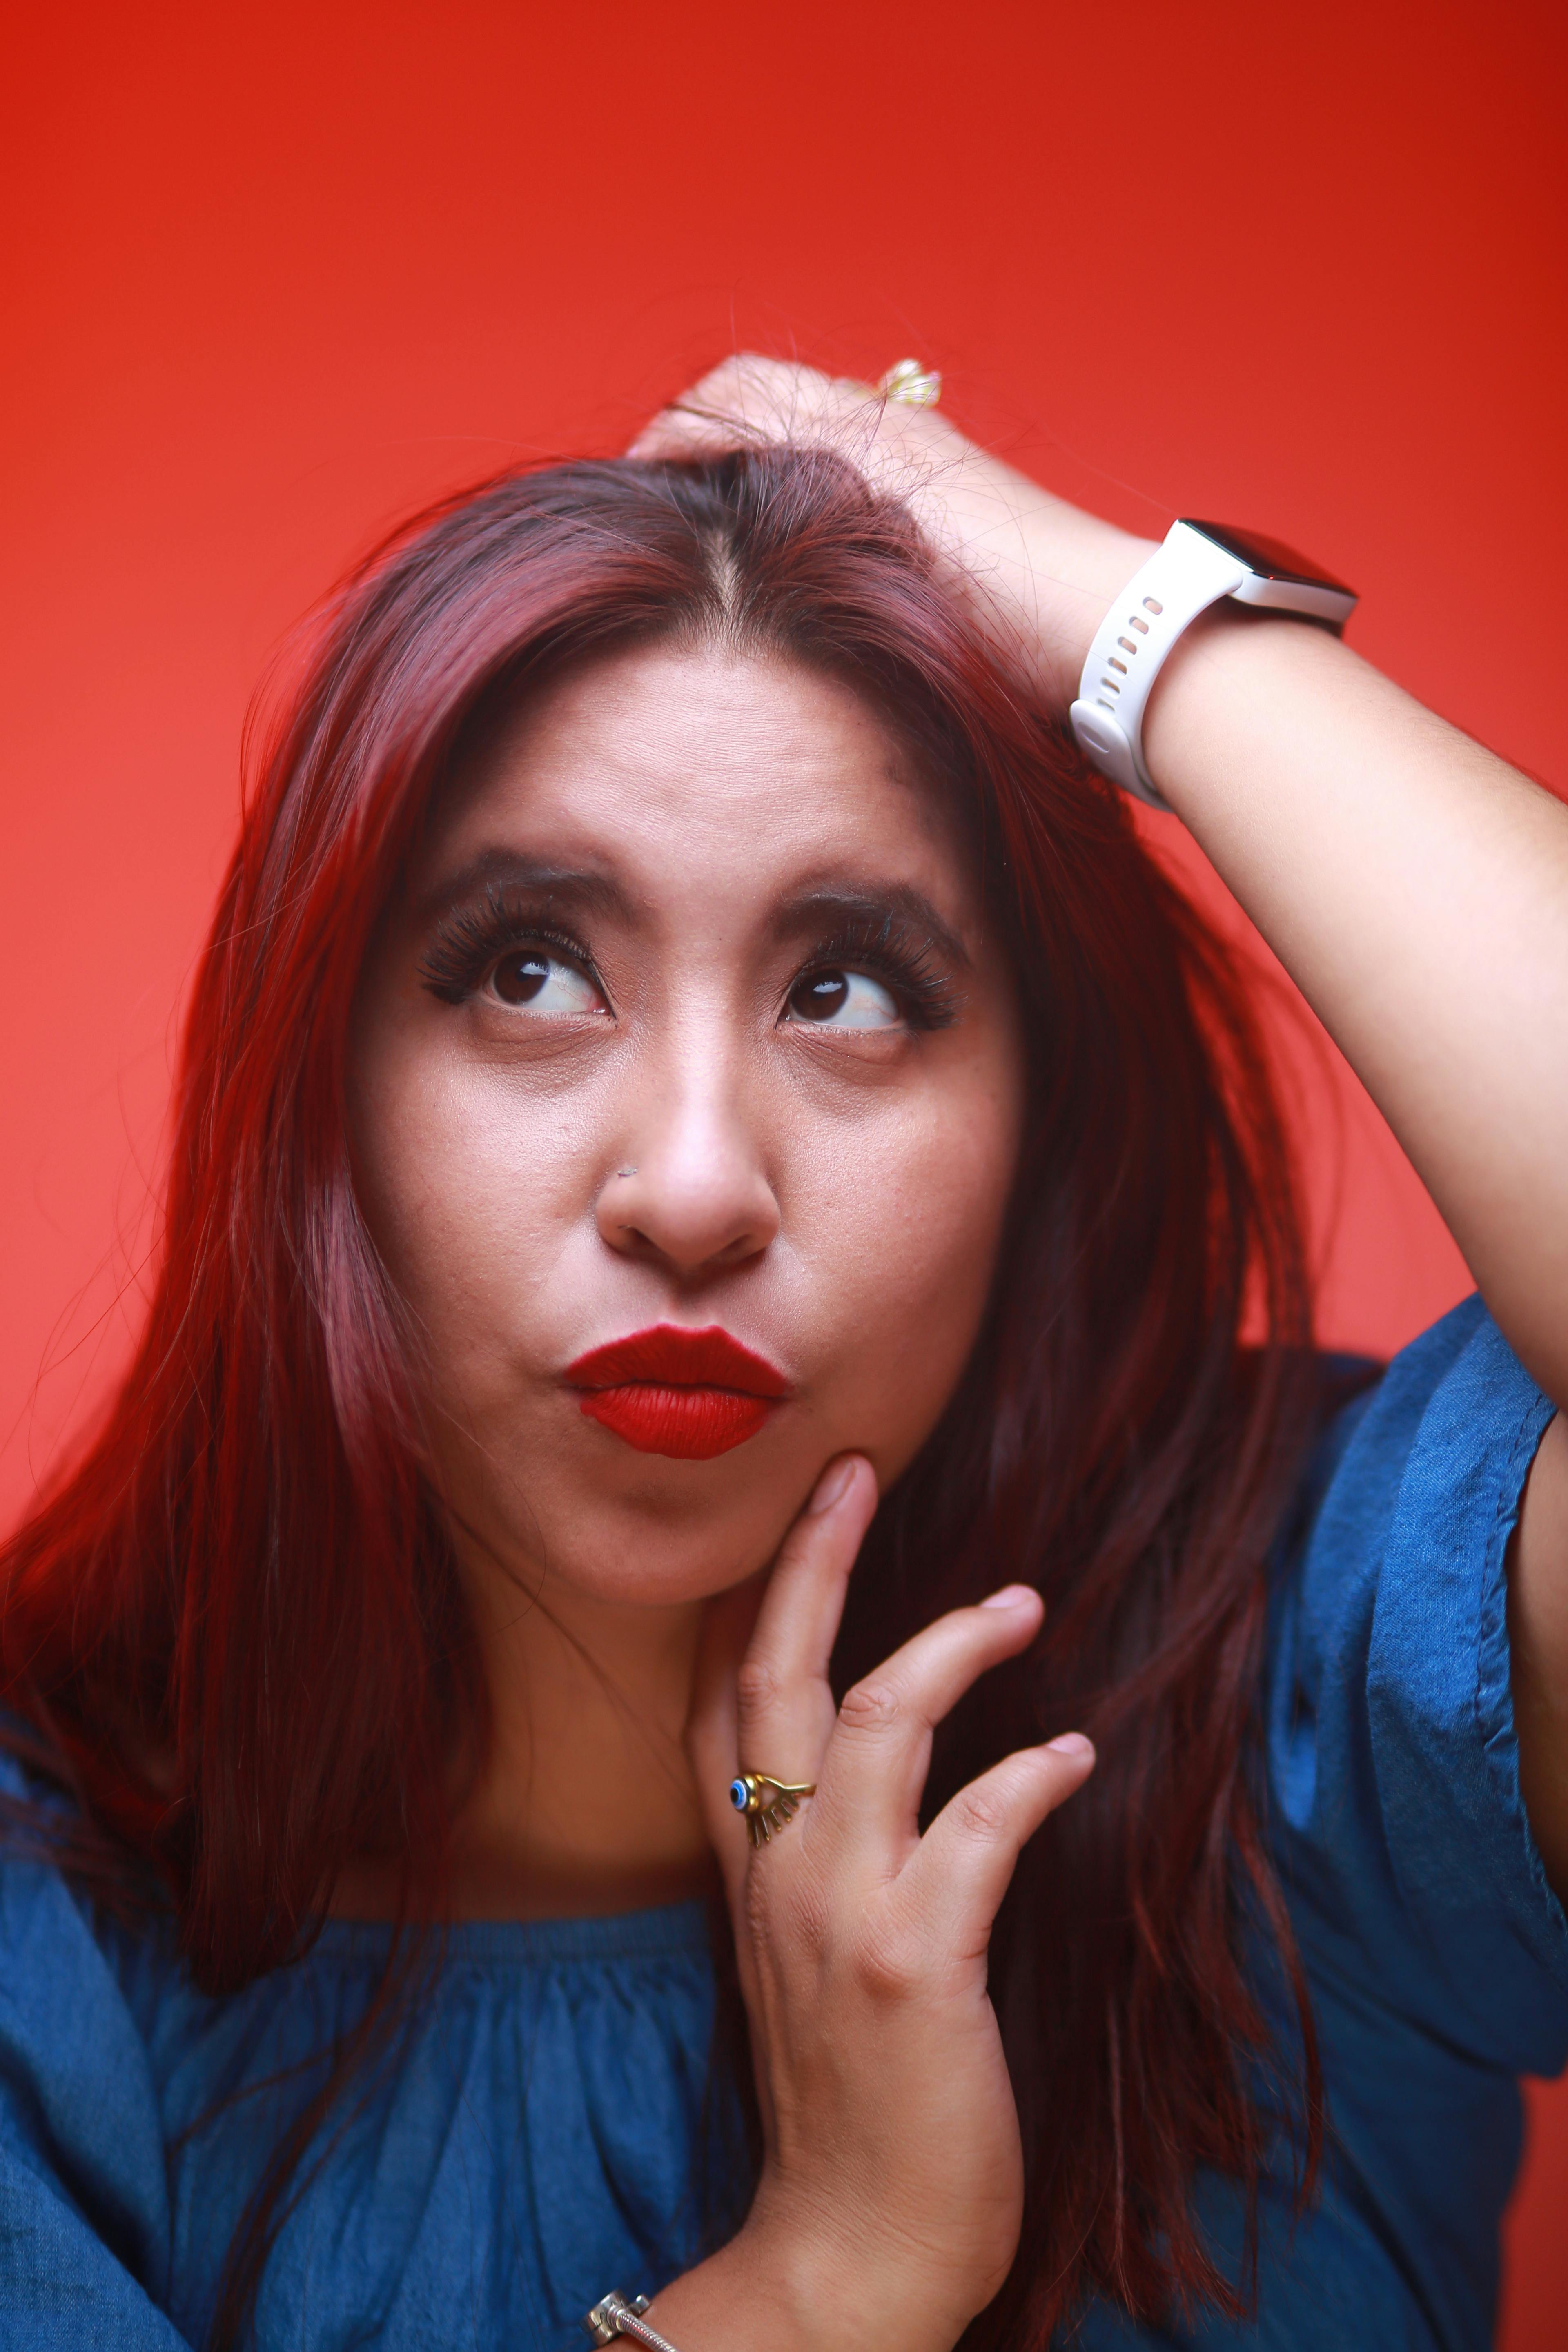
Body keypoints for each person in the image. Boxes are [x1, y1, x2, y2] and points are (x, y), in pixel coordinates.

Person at [1, 355, 1564, 2352]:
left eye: (848, 992)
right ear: (321, 1101)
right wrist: (832, 2273)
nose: (692, 1186)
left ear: (1040, 1126)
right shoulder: (44, 1935)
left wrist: (1136, 628)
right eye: (532, 970)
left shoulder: (1298, 1732)